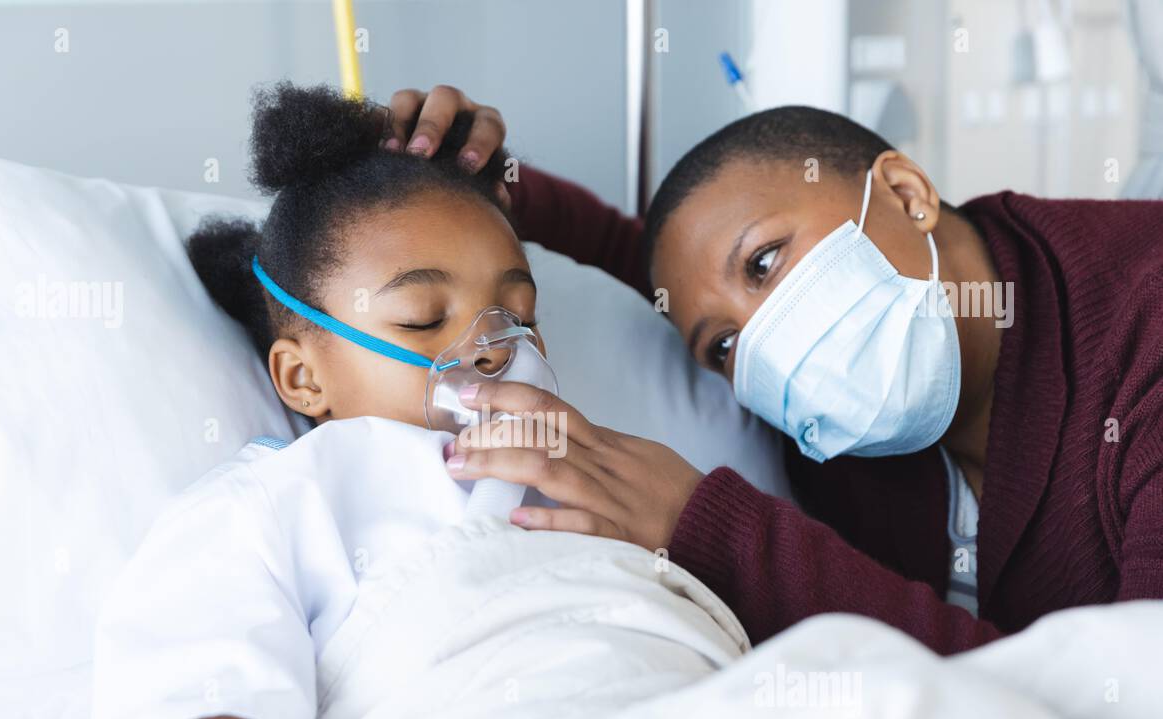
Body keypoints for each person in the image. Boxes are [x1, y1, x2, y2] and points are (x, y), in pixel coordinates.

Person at [385, 85, 1163, 654]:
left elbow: (1123, 714)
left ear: (905, 193)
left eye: (765, 261)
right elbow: (659, 268)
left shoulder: (1143, 329)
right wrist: (480, 181)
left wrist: (722, 535)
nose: (772, 346)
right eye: (722, 347)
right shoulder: (829, 411)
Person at [92, 82, 549, 719]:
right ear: (304, 380)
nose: (491, 348)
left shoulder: (596, 469)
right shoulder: (275, 506)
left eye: (520, 313)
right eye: (422, 319)